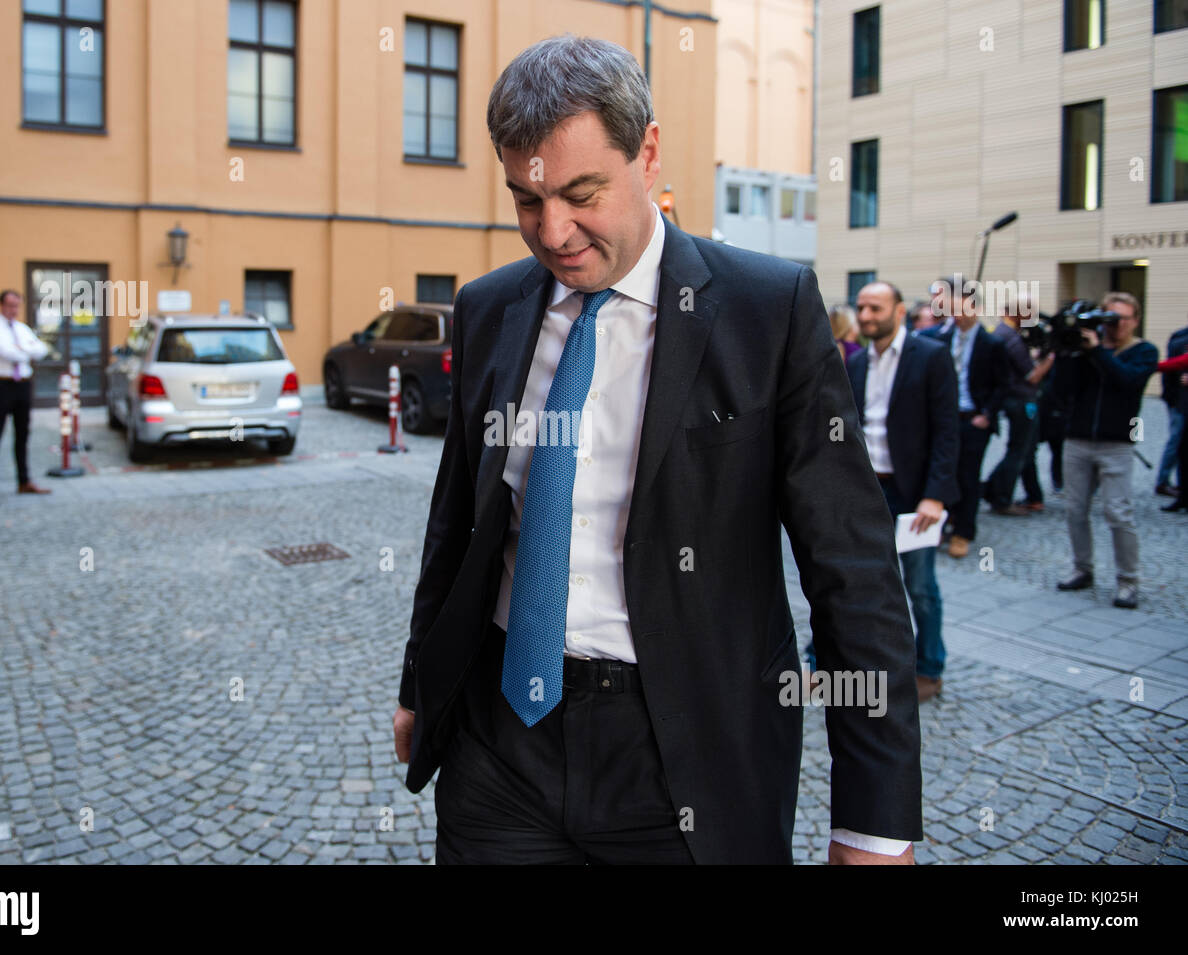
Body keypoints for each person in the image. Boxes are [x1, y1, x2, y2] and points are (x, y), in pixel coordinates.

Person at [392, 35, 922, 865]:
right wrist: (420, 684)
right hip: (500, 747)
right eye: (527, 200)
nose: (554, 231)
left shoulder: (767, 310)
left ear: (648, 152)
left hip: (687, 752)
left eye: (581, 193)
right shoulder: (490, 306)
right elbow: (454, 518)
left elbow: (852, 568)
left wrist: (874, 823)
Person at [806, 282, 958, 702]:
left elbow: (948, 431)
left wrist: (935, 495)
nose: (867, 315)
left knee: (920, 586)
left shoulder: (930, 357)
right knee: (841, 579)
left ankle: (929, 667)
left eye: (876, 307)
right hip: (861, 492)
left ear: (900, 310)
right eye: (862, 308)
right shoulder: (855, 362)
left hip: (912, 496)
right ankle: (822, 662)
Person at [1053, 292, 1158, 608]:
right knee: (1074, 509)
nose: (1116, 326)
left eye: (1122, 319)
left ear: (1135, 320)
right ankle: (1081, 568)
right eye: (1110, 318)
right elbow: (1061, 390)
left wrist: (1098, 351)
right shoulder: (1086, 352)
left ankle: (1128, 580)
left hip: (1117, 444)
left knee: (1118, 511)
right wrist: (1067, 351)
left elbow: (1126, 383)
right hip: (1078, 439)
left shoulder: (1144, 351)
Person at [931, 280, 1008, 557]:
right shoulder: (938, 338)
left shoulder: (992, 343)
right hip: (944, 418)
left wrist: (986, 416)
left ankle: (964, 531)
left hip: (973, 418)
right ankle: (942, 522)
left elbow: (1003, 385)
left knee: (968, 476)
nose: (958, 315)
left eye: (962, 308)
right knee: (942, 471)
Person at [0, 290, 52, 506]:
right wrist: (24, 350)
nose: (14, 310)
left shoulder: (22, 328)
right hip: (1, 384)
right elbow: (7, 353)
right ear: (1, 305)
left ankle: (24, 480)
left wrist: (23, 349)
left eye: (16, 305)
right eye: (10, 305)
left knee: (22, 435)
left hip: (22, 385)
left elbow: (41, 349)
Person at [984, 297, 1051, 515]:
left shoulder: (1000, 333)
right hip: (1021, 400)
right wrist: (1051, 358)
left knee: (1024, 449)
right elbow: (1032, 376)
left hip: (1014, 400)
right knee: (1019, 450)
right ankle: (998, 494)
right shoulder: (1010, 338)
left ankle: (1001, 490)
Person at [1155, 321, 1188, 497]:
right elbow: (1174, 365)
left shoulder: (1178, 337)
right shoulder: (1180, 339)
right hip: (1180, 401)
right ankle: (1167, 484)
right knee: (1178, 442)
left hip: (1177, 400)